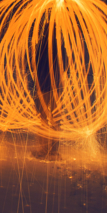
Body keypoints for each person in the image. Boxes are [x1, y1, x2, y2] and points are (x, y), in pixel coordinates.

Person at [32, 16, 61, 159]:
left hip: (43, 87)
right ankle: (54, 150)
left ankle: (44, 150)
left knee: (43, 119)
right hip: (56, 88)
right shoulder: (59, 45)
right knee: (55, 118)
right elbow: (64, 65)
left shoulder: (41, 46)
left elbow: (33, 66)